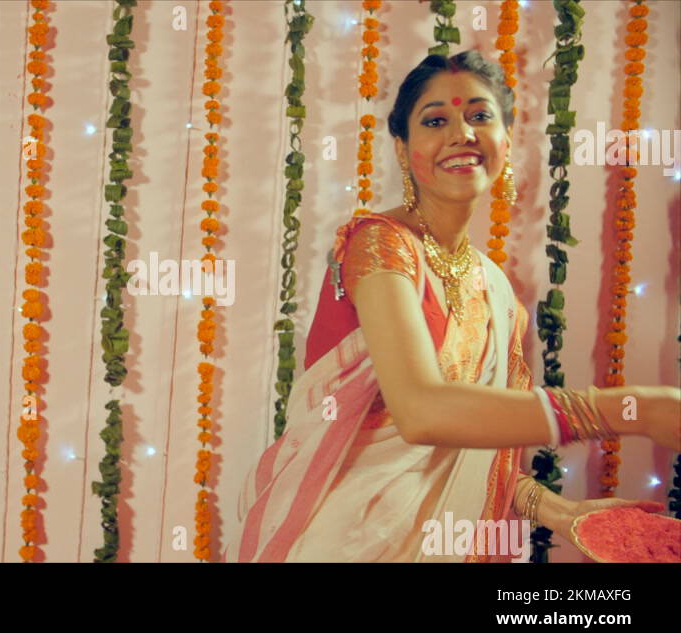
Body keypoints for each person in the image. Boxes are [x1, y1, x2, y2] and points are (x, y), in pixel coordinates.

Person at [222, 50, 681, 563]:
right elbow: (421, 412)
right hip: (341, 539)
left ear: (506, 139)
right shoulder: (380, 246)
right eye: (436, 120)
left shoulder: (496, 292)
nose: (462, 133)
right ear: (403, 147)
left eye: (480, 116)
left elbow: (475, 456)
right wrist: (630, 409)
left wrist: (563, 513)